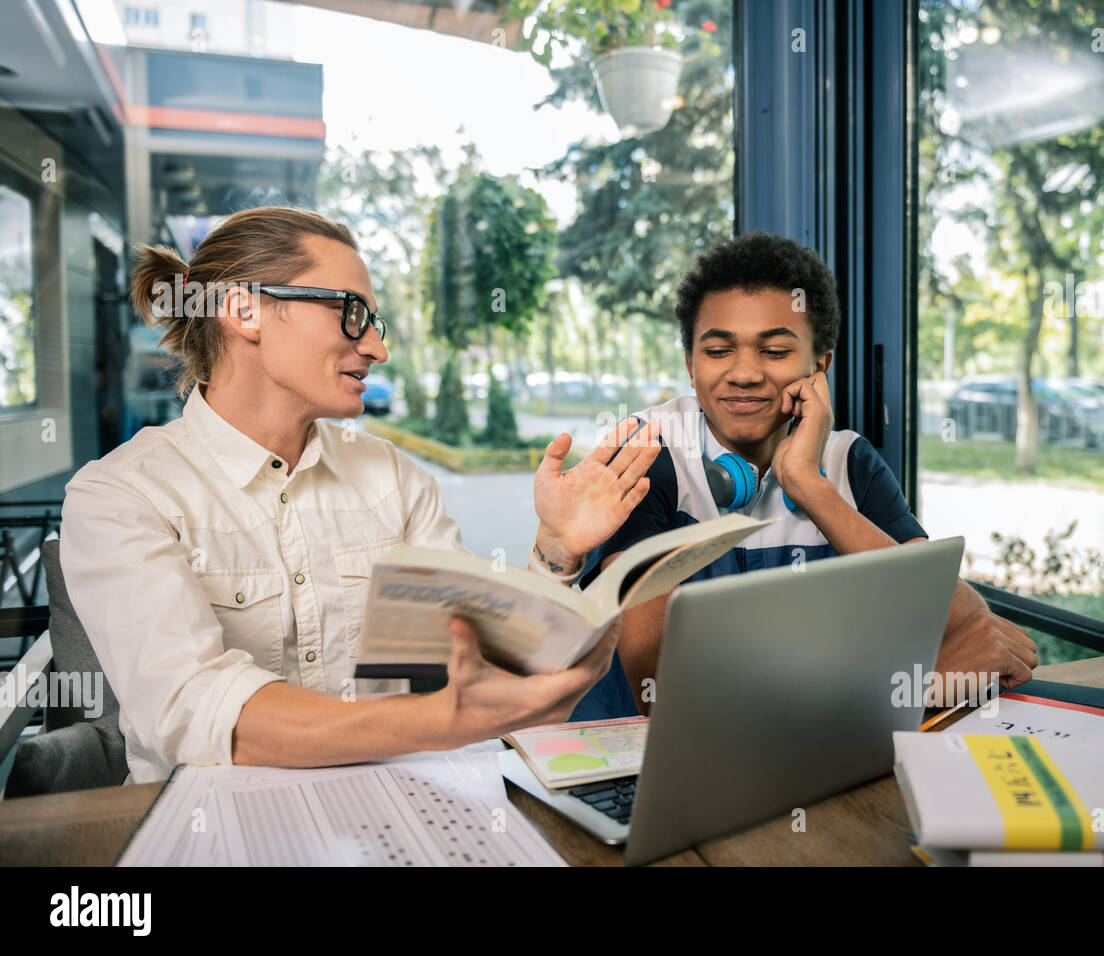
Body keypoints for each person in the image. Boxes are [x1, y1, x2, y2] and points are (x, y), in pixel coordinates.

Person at [58, 206, 662, 784]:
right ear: (244, 311)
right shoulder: (121, 495)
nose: (377, 347)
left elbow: (478, 659)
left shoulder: (392, 478)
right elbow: (196, 710)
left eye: (374, 321)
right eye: (351, 312)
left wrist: (554, 551)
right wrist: (436, 722)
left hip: (396, 812)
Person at [570, 231, 1037, 720]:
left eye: (774, 351)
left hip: (806, 755)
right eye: (717, 351)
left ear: (820, 365)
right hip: (636, 762)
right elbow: (662, 688)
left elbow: (962, 628)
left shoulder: (850, 461)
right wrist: (910, 686)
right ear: (691, 365)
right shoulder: (646, 455)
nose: (745, 373)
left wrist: (806, 483)